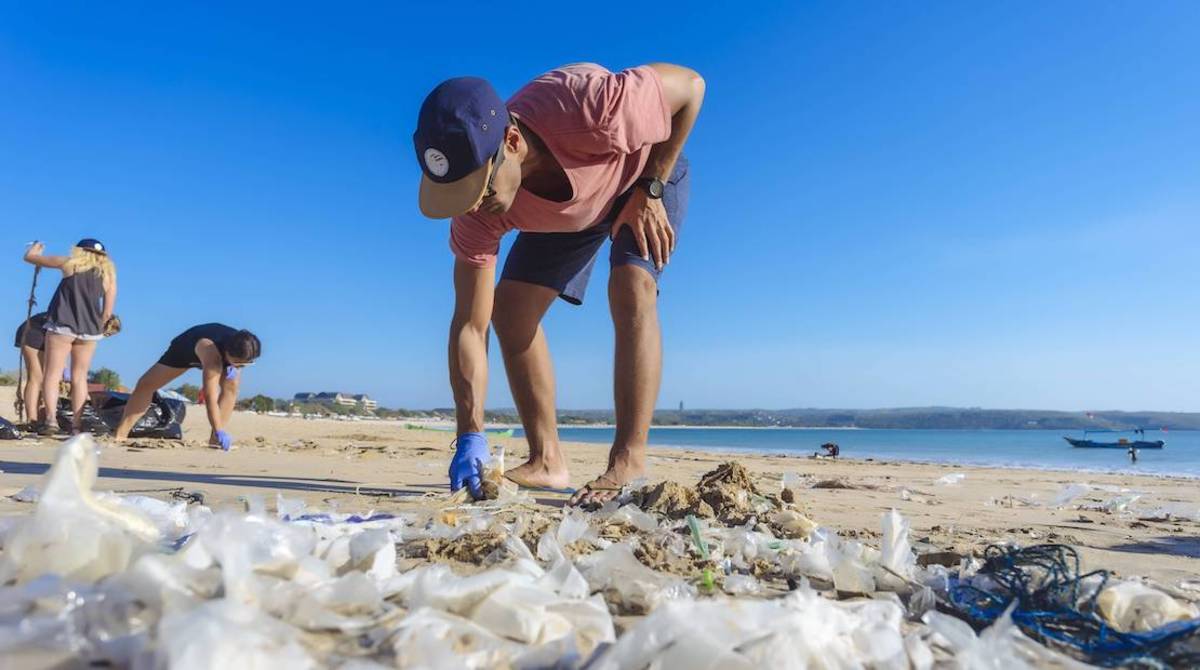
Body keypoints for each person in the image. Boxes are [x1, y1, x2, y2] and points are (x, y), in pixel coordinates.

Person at [413, 62, 704, 504]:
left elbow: (691, 87)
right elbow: (470, 325)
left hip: (644, 174)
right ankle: (547, 460)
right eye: (460, 192)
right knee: (510, 310)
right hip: (570, 213)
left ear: (511, 142)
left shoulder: (592, 107)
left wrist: (652, 188)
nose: (473, 204)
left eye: (481, 188)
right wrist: (470, 433)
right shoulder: (476, 211)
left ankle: (628, 460)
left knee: (630, 286)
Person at [22, 239, 118, 436]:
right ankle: (76, 425)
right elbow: (107, 313)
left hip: (62, 326)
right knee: (80, 377)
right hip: (90, 331)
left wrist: (35, 249)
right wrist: (97, 326)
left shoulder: (69, 264)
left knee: (52, 374)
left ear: (79, 251)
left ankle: (50, 420)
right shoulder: (108, 276)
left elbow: (30, 258)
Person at [113, 323, 260, 449]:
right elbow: (210, 397)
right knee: (145, 385)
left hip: (229, 355)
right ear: (227, 353)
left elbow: (234, 374)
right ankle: (120, 434)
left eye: (247, 364)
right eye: (239, 363)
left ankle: (215, 442)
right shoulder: (212, 355)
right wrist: (218, 429)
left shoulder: (244, 348)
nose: (242, 367)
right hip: (185, 350)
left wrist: (236, 366)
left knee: (232, 387)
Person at [13, 312, 49, 427]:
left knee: (45, 378)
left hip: (40, 330)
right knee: (36, 378)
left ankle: (40, 418)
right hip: (34, 331)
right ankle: (32, 419)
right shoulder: (82, 321)